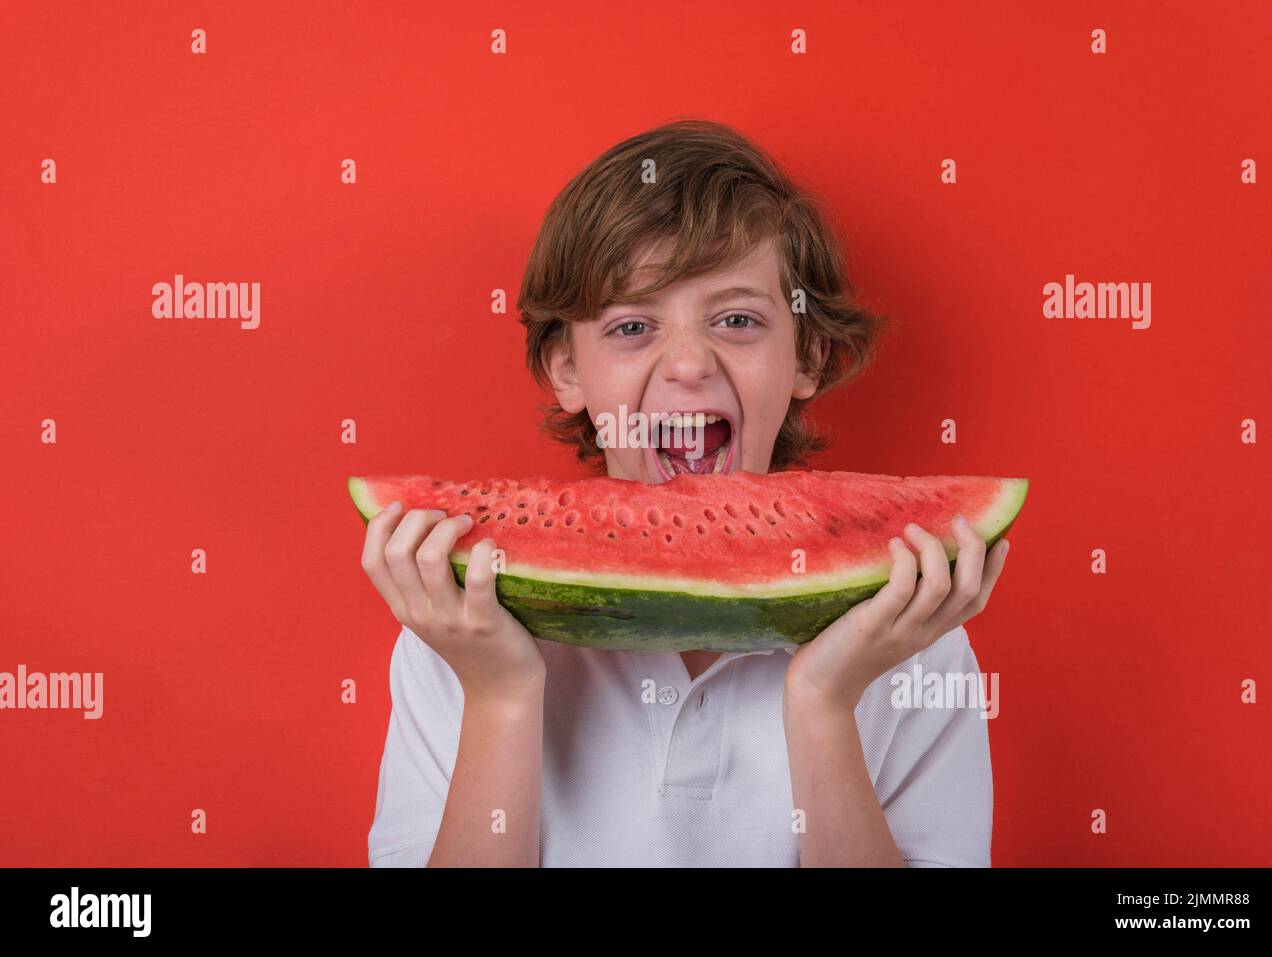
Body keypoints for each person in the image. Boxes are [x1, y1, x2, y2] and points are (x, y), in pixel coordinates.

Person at [363, 119, 1012, 867]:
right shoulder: (456, 626)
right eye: (632, 326)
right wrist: (499, 693)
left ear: (807, 355)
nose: (688, 363)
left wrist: (824, 704)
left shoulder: (915, 632)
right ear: (566, 371)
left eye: (737, 319)